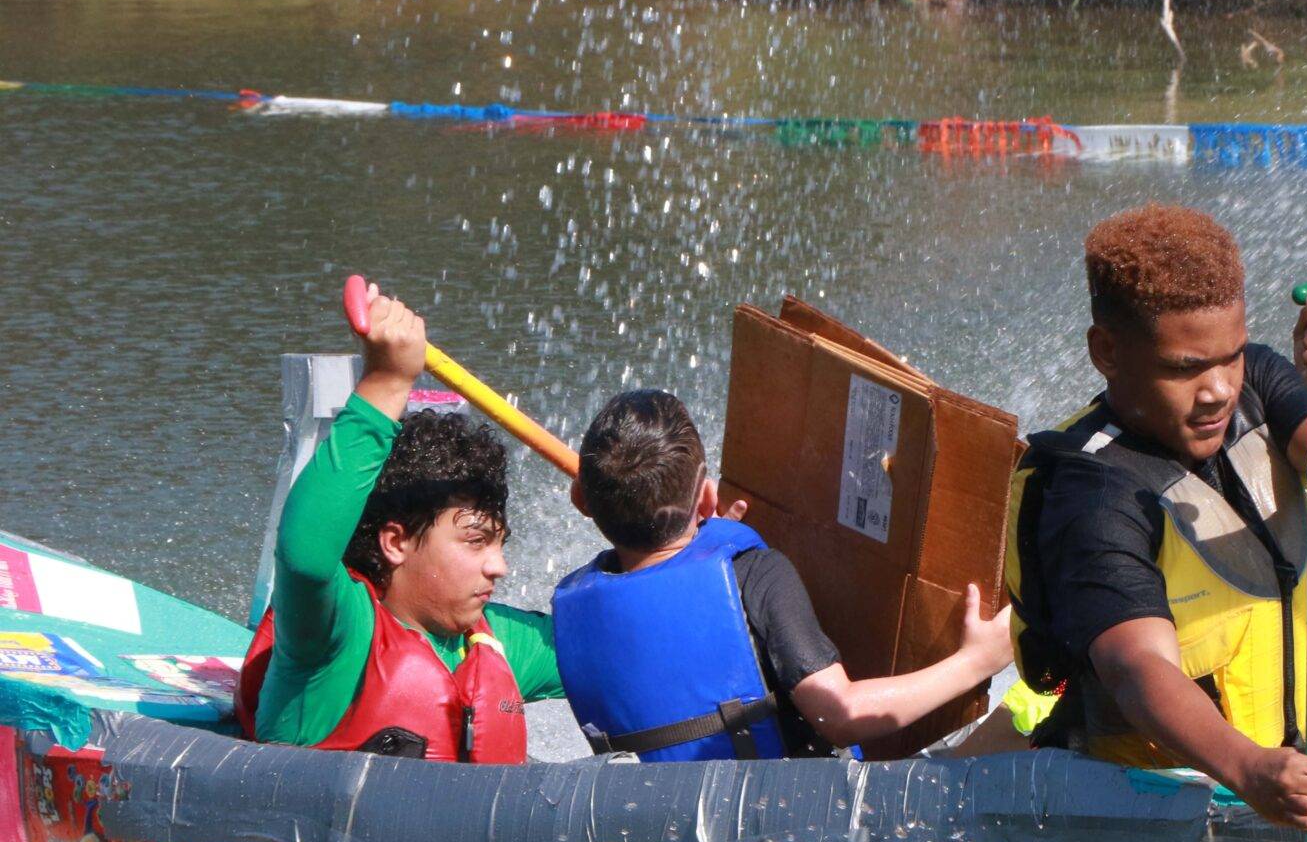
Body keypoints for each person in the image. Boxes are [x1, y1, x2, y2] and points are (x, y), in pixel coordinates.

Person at [1004, 204, 1307, 830]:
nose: (1217, 389)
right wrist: (1247, 769)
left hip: (1277, 786)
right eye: (1185, 368)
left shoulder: (1262, 383)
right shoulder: (1089, 489)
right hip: (1144, 813)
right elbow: (1137, 667)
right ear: (1106, 351)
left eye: (1230, 356)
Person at [552, 388, 1013, 760]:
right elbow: (842, 714)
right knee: (1019, 729)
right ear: (707, 498)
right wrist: (976, 661)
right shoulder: (754, 576)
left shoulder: (571, 612)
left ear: (581, 500)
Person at [235, 285, 562, 761]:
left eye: (499, 544)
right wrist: (386, 382)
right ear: (396, 541)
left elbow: (623, 649)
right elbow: (305, 555)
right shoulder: (332, 633)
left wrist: (678, 534)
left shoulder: (496, 642)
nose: (500, 567)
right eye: (476, 542)